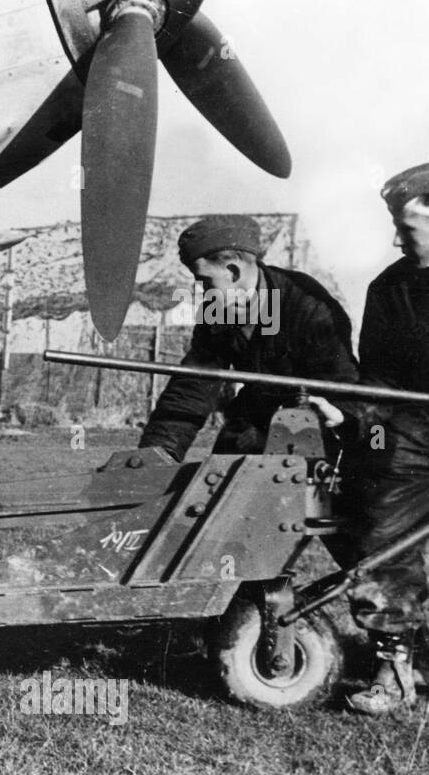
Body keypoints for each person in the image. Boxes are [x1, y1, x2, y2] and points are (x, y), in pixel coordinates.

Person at [139, 215, 360, 463]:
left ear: (233, 272)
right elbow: (194, 386)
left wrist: (279, 433)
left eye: (204, 281)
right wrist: (156, 453)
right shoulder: (216, 311)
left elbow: (343, 391)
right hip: (252, 421)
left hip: (315, 426)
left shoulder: (309, 306)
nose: (201, 290)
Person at [337, 164, 429, 716]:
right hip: (411, 435)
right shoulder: (390, 288)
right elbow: (377, 384)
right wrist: (371, 443)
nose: (395, 239)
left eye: (406, 226)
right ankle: (393, 674)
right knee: (385, 547)